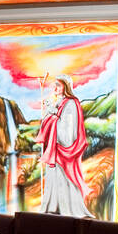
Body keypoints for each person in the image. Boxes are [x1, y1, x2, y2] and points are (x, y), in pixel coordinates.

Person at [36, 77, 92, 217]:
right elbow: (50, 122)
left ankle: (66, 210)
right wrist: (50, 111)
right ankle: (53, 207)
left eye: (59, 86)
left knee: (64, 183)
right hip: (55, 150)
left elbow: (66, 133)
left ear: (66, 87)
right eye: (54, 85)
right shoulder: (60, 103)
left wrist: (52, 111)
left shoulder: (71, 104)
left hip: (63, 152)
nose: (55, 89)